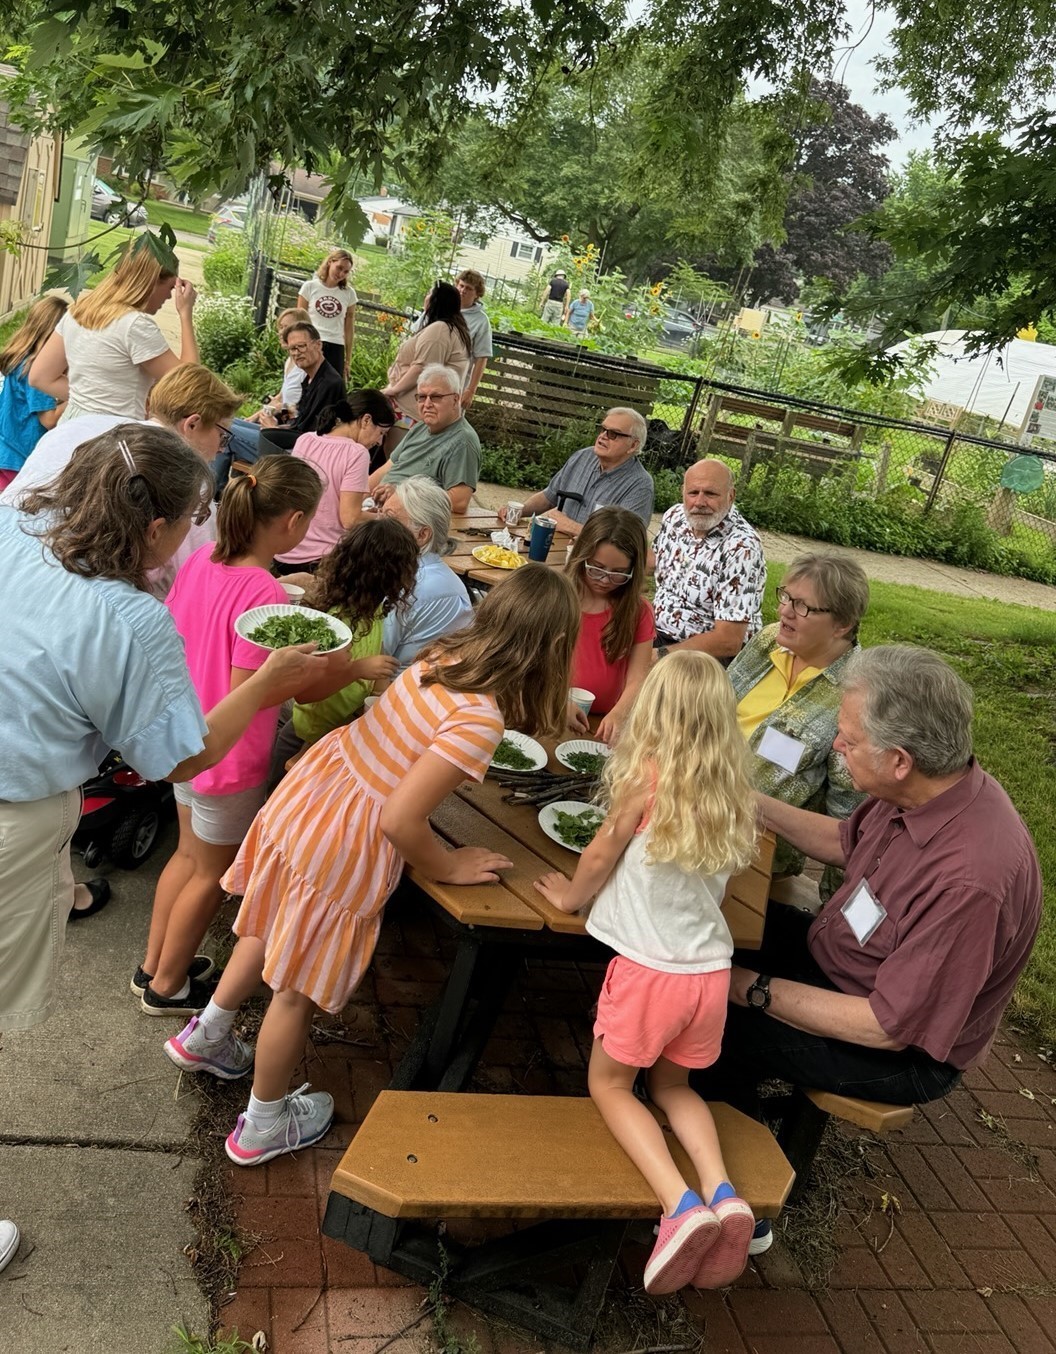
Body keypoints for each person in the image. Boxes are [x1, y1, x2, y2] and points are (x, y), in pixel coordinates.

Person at [0, 425, 323, 1257]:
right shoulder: (127, 617)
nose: (194, 535)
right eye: (190, 521)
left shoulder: (13, 524)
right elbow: (178, 755)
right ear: (154, 528)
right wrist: (266, 685)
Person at [162, 565, 580, 1166]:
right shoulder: (480, 718)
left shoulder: (442, 656)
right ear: (556, 646)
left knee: (269, 925)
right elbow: (400, 821)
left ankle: (207, 1035)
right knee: (296, 990)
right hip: (346, 837)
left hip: (315, 797)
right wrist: (446, 864)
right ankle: (262, 1126)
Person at [692, 646, 1042, 1248]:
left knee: (706, 1019)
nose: (835, 746)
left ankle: (745, 1210)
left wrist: (750, 989)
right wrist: (745, 801)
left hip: (897, 1049)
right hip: (844, 961)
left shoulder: (971, 881)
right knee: (705, 930)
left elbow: (887, 1026)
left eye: (848, 741)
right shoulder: (929, 789)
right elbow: (845, 841)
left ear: (900, 760)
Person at [535, 652, 759, 1293]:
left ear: (654, 711)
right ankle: (723, 1192)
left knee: (610, 1085)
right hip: (708, 975)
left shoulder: (646, 780)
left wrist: (569, 898)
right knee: (675, 1087)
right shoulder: (732, 795)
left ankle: (678, 1205)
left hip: (648, 974)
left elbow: (599, 852)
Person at [136, 456, 326, 1016]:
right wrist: (317, 671)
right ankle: (168, 986)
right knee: (210, 874)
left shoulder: (202, 558)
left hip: (186, 740)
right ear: (293, 521)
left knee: (186, 856)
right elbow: (254, 692)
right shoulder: (264, 593)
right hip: (229, 756)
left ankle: (153, 965)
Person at [0, 363, 242, 601]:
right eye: (222, 435)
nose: (222, 448)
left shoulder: (80, 424)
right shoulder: (187, 481)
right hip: (66, 589)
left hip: (12, 549)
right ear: (192, 424)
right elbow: (199, 582)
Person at [729, 554, 870, 899]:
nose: (784, 611)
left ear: (842, 625)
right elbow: (715, 704)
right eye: (786, 597)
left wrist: (833, 908)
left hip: (755, 850)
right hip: (691, 802)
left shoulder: (855, 696)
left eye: (802, 606)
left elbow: (849, 820)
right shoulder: (769, 641)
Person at [273, 516, 421, 771]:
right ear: (390, 575)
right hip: (309, 735)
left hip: (340, 727)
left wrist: (379, 690)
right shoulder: (336, 623)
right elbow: (306, 694)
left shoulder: (373, 609)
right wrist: (357, 669)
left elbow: (376, 655)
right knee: (277, 788)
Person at [30, 238, 198, 421]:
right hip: (113, 431)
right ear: (152, 281)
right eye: (171, 287)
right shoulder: (135, 325)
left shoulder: (77, 312)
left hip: (71, 424)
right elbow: (189, 386)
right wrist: (185, 314)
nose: (170, 296)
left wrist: (89, 400)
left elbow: (40, 377)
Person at [652, 459, 765, 661]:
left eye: (710, 494)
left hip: (705, 657)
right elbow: (652, 561)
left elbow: (728, 641)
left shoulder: (741, 547)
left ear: (731, 496)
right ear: (682, 492)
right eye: (693, 493)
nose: (700, 502)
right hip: (656, 632)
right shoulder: (675, 517)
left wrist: (659, 656)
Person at [273, 391, 395, 574]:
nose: (379, 441)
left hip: (284, 554)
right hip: (320, 560)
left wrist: (365, 514)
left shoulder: (305, 440)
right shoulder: (357, 453)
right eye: (381, 433)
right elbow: (350, 519)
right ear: (366, 420)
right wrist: (386, 517)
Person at [565, 508, 655, 745]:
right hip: (552, 712)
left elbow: (638, 677)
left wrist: (620, 713)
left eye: (618, 574)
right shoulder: (559, 597)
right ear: (581, 556)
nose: (605, 580)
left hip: (602, 724)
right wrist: (557, 702)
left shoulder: (638, 612)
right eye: (596, 568)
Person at [499, 407, 654, 536]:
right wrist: (519, 510)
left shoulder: (640, 485)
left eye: (613, 434)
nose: (603, 436)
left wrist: (570, 526)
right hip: (554, 547)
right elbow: (549, 497)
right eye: (603, 429)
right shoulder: (583, 457)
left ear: (633, 445)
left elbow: (625, 540)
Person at [379, 477, 473, 671]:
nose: (377, 524)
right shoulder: (450, 580)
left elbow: (372, 652)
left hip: (399, 685)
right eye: (380, 513)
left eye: (389, 519)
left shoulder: (406, 584)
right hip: (435, 683)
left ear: (422, 535)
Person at [215, 307, 310, 495]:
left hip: (284, 438)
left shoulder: (304, 368)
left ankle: (215, 493)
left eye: (287, 327)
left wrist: (272, 416)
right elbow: (281, 397)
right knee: (225, 421)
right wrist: (256, 416)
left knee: (223, 430)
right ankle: (223, 491)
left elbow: (297, 413)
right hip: (276, 425)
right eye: (280, 327)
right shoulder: (291, 361)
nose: (281, 332)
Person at [370, 366, 481, 514]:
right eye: (422, 397)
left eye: (435, 397)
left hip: (405, 517)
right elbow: (386, 469)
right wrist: (356, 493)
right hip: (377, 506)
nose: (427, 404)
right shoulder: (420, 427)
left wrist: (401, 497)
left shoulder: (463, 441)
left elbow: (459, 501)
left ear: (455, 400)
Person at [248, 323, 345, 459]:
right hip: (290, 436)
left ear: (318, 345)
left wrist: (274, 429)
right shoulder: (309, 378)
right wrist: (276, 416)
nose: (296, 353)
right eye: (292, 349)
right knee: (233, 424)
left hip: (300, 452)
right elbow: (300, 415)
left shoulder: (329, 383)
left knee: (229, 432)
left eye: (301, 346)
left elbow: (312, 433)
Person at [0, 296, 68, 488]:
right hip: (19, 457)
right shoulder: (36, 369)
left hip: (6, 449)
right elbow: (49, 420)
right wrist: (78, 396)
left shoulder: (20, 358)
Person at [382, 282, 472, 415]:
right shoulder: (449, 328)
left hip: (410, 410)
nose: (426, 297)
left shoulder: (439, 330)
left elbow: (422, 368)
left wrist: (393, 390)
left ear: (436, 301)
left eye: (429, 293)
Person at [298, 249, 357, 380]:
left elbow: (349, 328)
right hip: (311, 343)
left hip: (336, 346)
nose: (341, 274)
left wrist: (348, 360)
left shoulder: (349, 294)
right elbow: (299, 322)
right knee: (304, 385)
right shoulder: (309, 287)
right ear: (330, 262)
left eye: (346, 271)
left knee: (332, 388)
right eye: (339, 268)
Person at [454, 269, 493, 409]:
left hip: (457, 384)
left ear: (477, 294)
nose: (463, 291)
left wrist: (470, 390)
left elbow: (481, 358)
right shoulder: (442, 307)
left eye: (469, 289)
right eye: (461, 286)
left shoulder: (481, 321)